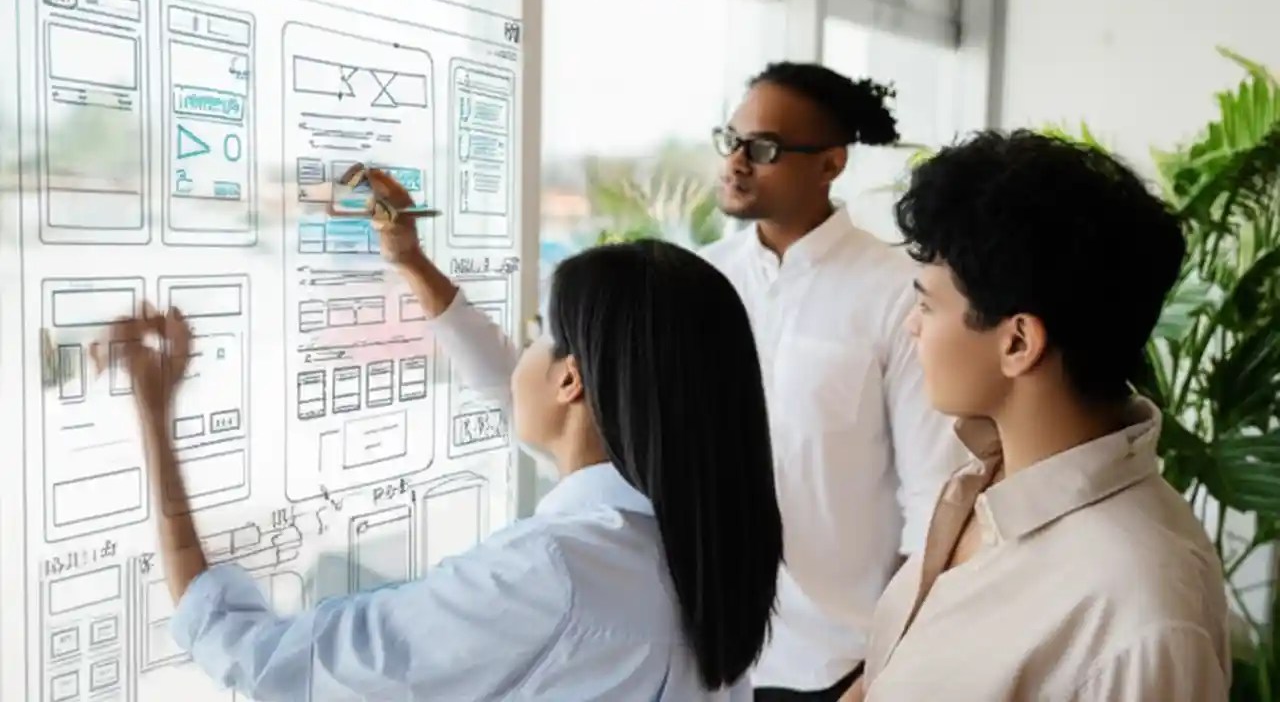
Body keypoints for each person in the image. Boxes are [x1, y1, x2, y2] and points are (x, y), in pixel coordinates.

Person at [97, 177, 785, 700]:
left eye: (539, 332)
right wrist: (411, 262)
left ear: (572, 381)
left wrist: (155, 416)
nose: (523, 353)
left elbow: (266, 656)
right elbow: (521, 392)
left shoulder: (552, 570)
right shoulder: (693, 537)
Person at [841, 130, 1230, 701]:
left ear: (1018, 341)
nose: (912, 326)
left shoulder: (1138, 611)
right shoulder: (983, 485)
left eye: (926, 304)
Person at [700, 61, 966, 700]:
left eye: (763, 148)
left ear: (831, 164)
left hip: (834, 669)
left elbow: (935, 500)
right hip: (701, 656)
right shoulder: (701, 281)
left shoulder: (898, 293)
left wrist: (888, 664)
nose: (736, 161)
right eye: (730, 140)